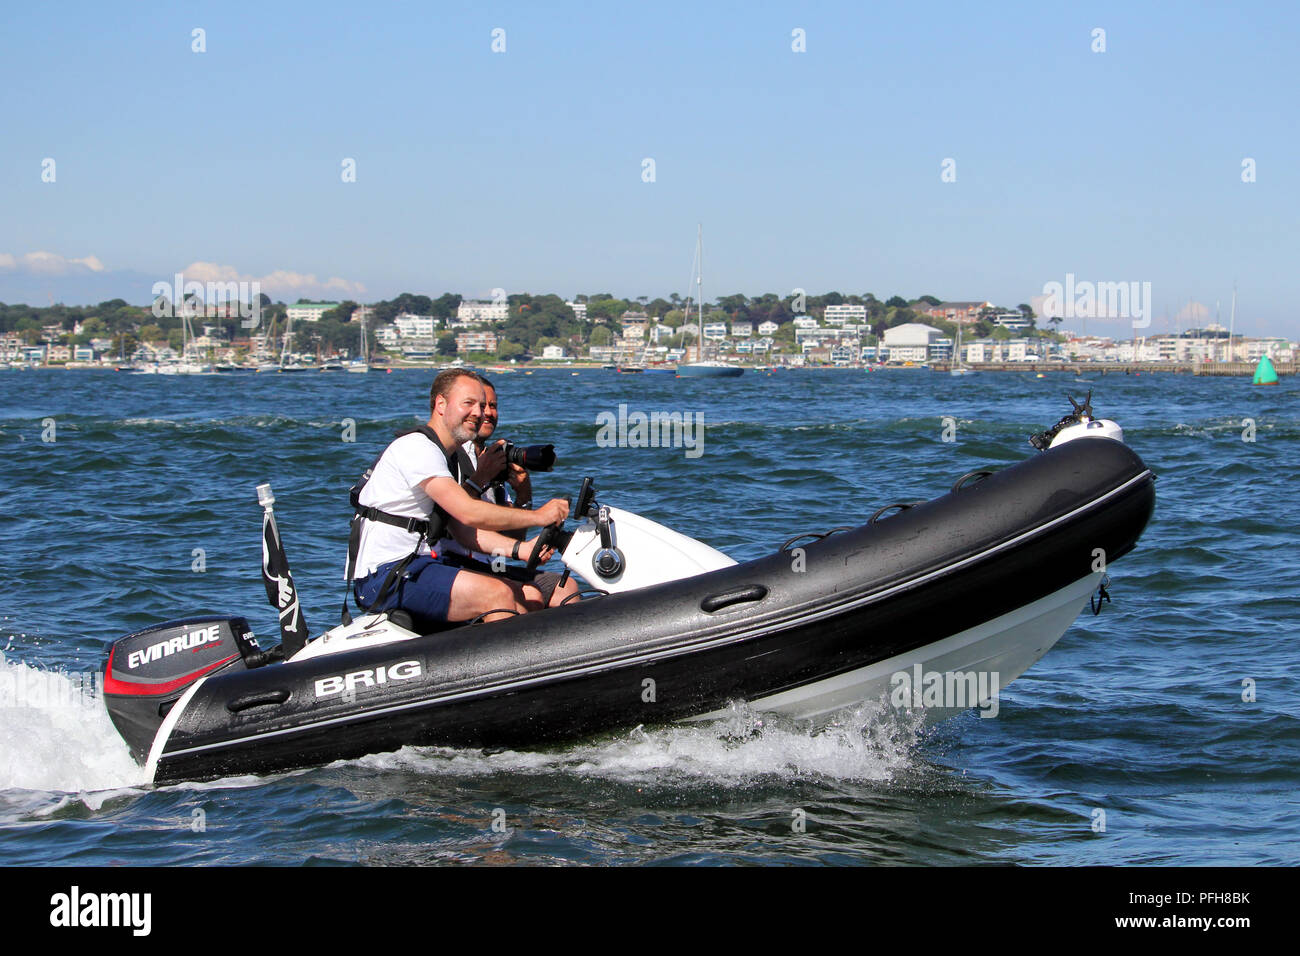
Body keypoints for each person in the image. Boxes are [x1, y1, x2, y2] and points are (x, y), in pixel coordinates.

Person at [347, 369, 570, 628]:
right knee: (496, 594)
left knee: (523, 600)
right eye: (469, 403)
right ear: (441, 404)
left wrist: (521, 549)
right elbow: (468, 511)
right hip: (386, 575)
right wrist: (539, 516)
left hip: (419, 565)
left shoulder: (447, 458)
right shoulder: (417, 447)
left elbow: (462, 529)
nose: (478, 412)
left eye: (482, 405)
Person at [440, 376, 580, 609]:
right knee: (530, 595)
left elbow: (514, 540)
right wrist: (479, 479)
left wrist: (523, 495)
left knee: (566, 587)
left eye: (492, 406)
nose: (486, 413)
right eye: (479, 406)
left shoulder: (493, 459)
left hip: (492, 563)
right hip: (456, 564)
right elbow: (452, 518)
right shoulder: (452, 457)